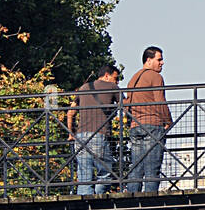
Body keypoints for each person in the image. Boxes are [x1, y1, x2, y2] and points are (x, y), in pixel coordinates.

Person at [66, 65, 121, 196]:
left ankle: (84, 207)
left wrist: (71, 133)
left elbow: (70, 113)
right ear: (107, 75)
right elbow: (125, 105)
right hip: (99, 134)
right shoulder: (113, 87)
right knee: (105, 174)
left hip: (80, 137)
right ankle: (98, 200)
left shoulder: (83, 88)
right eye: (116, 78)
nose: (117, 82)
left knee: (84, 176)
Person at [125, 46, 172, 194]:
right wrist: (168, 121)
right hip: (152, 125)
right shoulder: (155, 77)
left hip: (135, 125)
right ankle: (150, 202)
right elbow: (160, 101)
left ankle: (131, 200)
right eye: (159, 59)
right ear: (149, 60)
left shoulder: (133, 79)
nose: (162, 63)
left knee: (136, 168)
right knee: (152, 169)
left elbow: (126, 104)